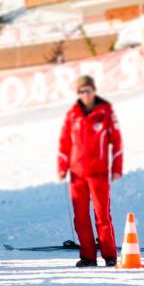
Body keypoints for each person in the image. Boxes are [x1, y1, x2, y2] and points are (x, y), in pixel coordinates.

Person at [58, 75, 123, 267]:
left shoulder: (105, 111)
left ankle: (109, 255)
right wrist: (62, 166)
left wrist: (117, 167)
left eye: (87, 90)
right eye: (81, 91)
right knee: (81, 218)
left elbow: (116, 141)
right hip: (77, 174)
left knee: (102, 215)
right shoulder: (73, 114)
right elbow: (65, 142)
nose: (85, 94)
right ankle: (88, 256)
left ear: (93, 91)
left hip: (98, 173)